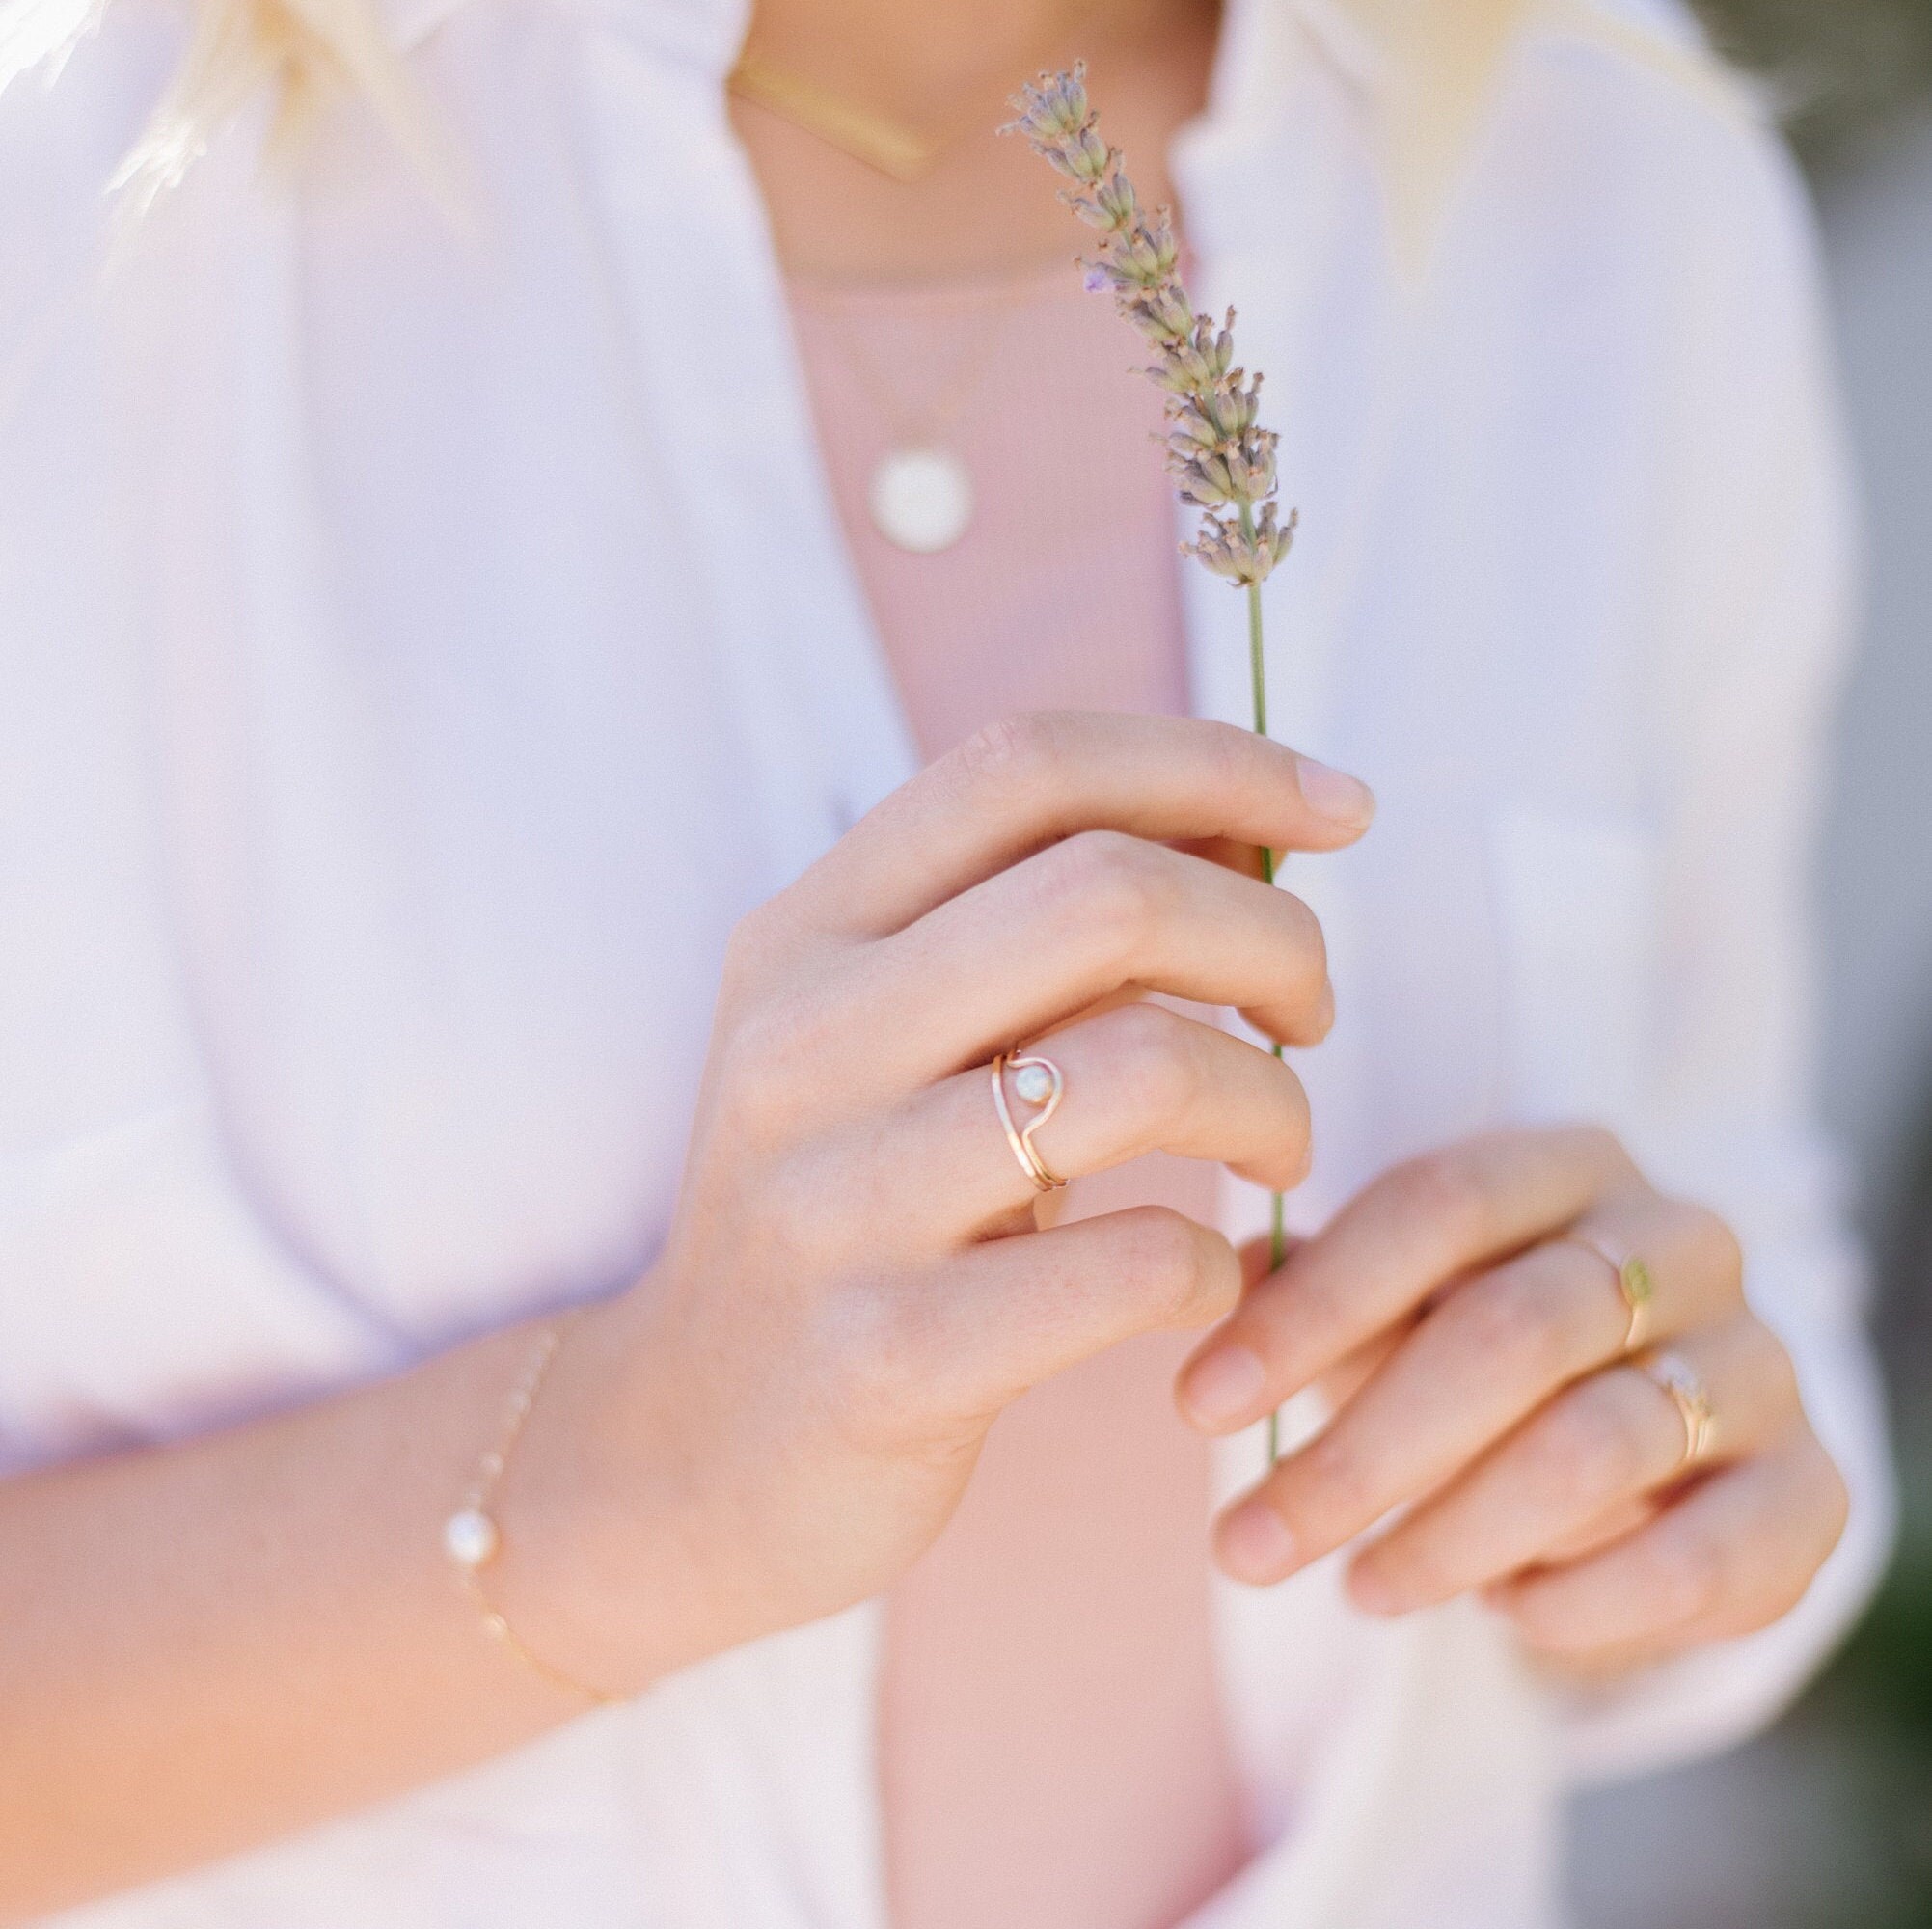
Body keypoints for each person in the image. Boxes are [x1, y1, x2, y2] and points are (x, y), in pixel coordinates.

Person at [0, 0, 1893, 1923]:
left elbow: (1735, 1223)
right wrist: (613, 1485)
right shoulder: (74, 185)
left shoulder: (1602, 166)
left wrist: (1660, 1463)